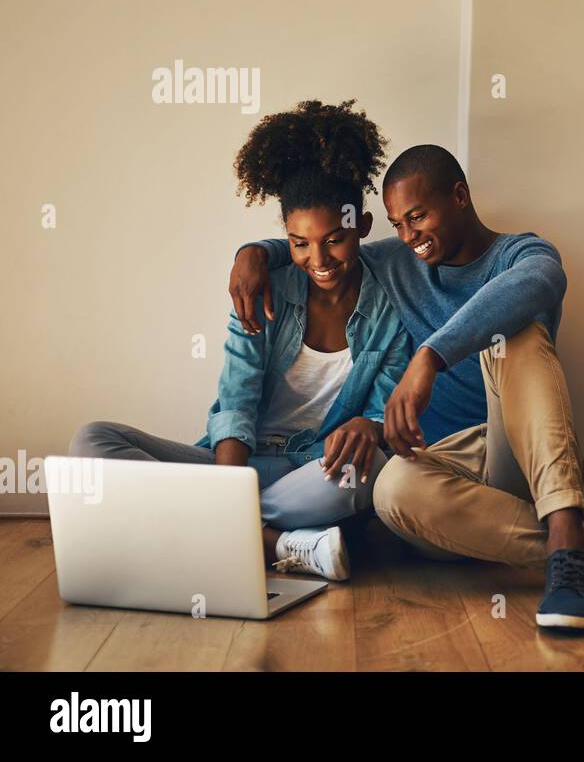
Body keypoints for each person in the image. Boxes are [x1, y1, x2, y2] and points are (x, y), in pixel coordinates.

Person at [228, 145, 584, 631]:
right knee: (391, 488)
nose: (409, 236)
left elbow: (540, 280)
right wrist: (254, 253)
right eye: (397, 223)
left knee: (519, 334)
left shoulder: (521, 254)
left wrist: (430, 356)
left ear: (460, 196)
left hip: (513, 454)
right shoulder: (399, 261)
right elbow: (325, 244)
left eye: (418, 216)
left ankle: (566, 527)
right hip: (440, 482)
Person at [71, 100, 411, 581]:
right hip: (238, 459)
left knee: (365, 473)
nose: (320, 259)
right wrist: (227, 491)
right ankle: (281, 544)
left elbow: (382, 407)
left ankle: (186, 528)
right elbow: (236, 401)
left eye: (335, 238)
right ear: (286, 239)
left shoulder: (390, 303)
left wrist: (370, 425)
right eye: (299, 243)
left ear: (364, 228)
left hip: (313, 472)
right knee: (93, 441)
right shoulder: (263, 288)